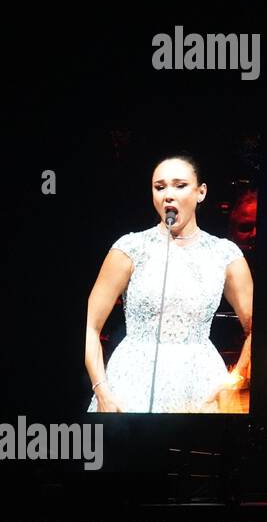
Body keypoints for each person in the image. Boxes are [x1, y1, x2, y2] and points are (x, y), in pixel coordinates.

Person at [85, 155, 253, 413]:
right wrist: (102, 390)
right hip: (131, 386)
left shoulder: (224, 254)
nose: (168, 195)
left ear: (201, 192)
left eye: (180, 185)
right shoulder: (129, 249)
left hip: (200, 388)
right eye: (160, 187)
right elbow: (90, 326)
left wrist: (236, 377)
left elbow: (258, 327)